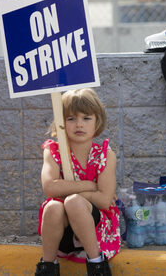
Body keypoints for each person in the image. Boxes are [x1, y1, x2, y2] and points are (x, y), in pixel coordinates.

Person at [36, 89, 121, 276]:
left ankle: (97, 264)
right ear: (60, 122)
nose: (79, 124)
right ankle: (48, 266)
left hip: (96, 232)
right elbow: (50, 188)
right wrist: (90, 186)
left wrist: (67, 191)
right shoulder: (53, 151)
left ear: (97, 121)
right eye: (71, 118)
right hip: (63, 234)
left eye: (86, 118)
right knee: (52, 207)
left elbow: (105, 201)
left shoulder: (105, 155)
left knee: (73, 202)